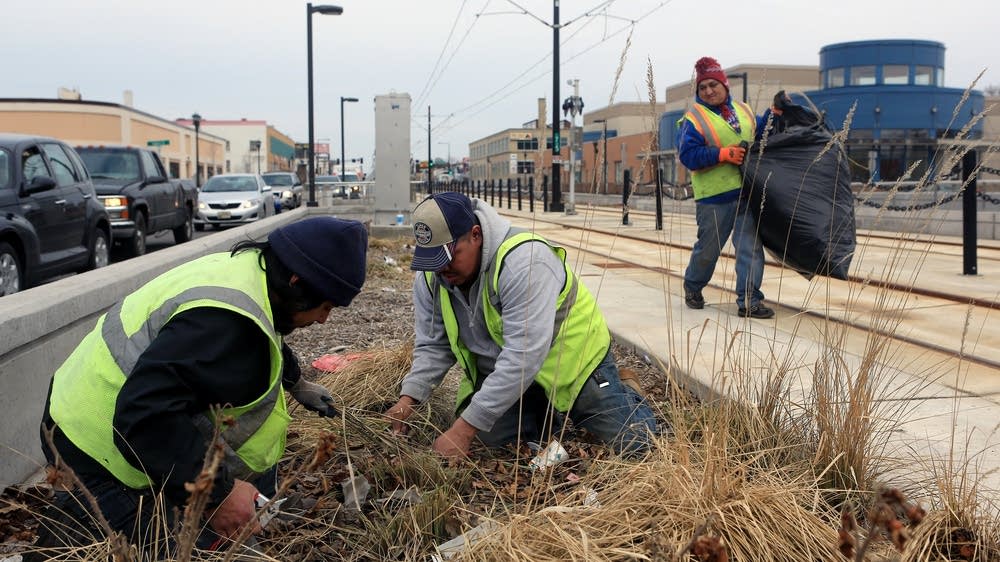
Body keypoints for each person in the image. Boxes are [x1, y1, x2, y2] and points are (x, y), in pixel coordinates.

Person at [38, 216, 368, 550]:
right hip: (92, 442)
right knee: (116, 548)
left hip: (101, 409)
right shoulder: (225, 326)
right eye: (324, 306)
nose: (324, 319)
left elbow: (269, 332)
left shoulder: (253, 274)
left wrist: (296, 381)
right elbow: (144, 413)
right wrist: (217, 495)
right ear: (296, 281)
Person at [385, 192, 656, 458]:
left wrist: (464, 429)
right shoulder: (431, 277)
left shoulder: (524, 262)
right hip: (505, 374)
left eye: (449, 256)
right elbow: (433, 345)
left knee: (634, 445)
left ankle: (626, 394)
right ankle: (543, 414)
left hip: (573, 365)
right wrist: (409, 398)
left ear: (476, 235)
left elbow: (522, 356)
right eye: (433, 259)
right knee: (491, 448)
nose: (441, 269)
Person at [677, 56, 775, 319]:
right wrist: (722, 155)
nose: (709, 91)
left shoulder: (743, 111)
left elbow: (759, 134)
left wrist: (772, 116)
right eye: (703, 87)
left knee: (750, 248)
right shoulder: (694, 119)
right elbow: (688, 156)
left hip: (747, 194)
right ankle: (693, 285)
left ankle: (749, 301)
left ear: (725, 84)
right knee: (708, 250)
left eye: (713, 85)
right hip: (714, 199)